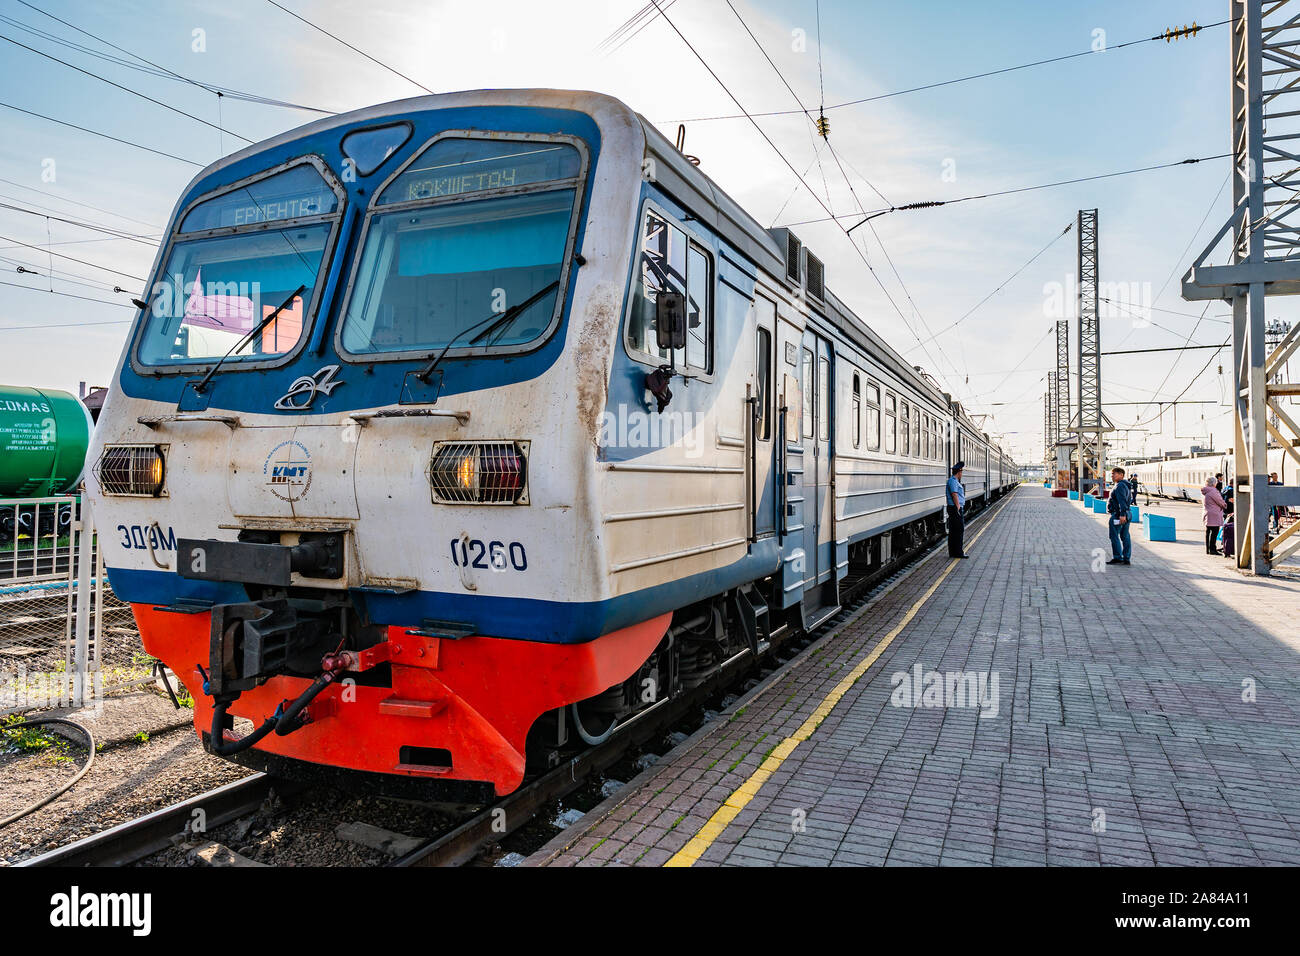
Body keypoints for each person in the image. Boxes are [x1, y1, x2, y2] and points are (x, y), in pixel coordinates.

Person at [1106, 466, 1133, 565]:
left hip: (1118, 515)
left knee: (1114, 536)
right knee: (1125, 536)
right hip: (1126, 513)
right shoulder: (1125, 485)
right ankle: (1126, 558)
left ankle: (1118, 557)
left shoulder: (1119, 486)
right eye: (1112, 474)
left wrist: (1122, 514)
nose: (1112, 476)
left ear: (1121, 475)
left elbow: (1122, 501)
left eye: (1114, 474)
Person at [947, 462, 968, 558]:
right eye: (961, 472)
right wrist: (958, 507)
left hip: (954, 508)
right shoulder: (953, 481)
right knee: (959, 530)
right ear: (959, 472)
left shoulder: (954, 481)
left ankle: (953, 552)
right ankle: (958, 552)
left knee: (954, 531)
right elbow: (954, 494)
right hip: (955, 508)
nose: (961, 474)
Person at [1201, 477, 1227, 555]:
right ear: (1214, 483)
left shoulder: (1205, 491)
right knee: (1214, 532)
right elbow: (1220, 502)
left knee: (1208, 532)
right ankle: (1213, 550)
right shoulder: (1213, 491)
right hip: (1214, 514)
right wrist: (1225, 505)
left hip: (1207, 513)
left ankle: (1208, 549)